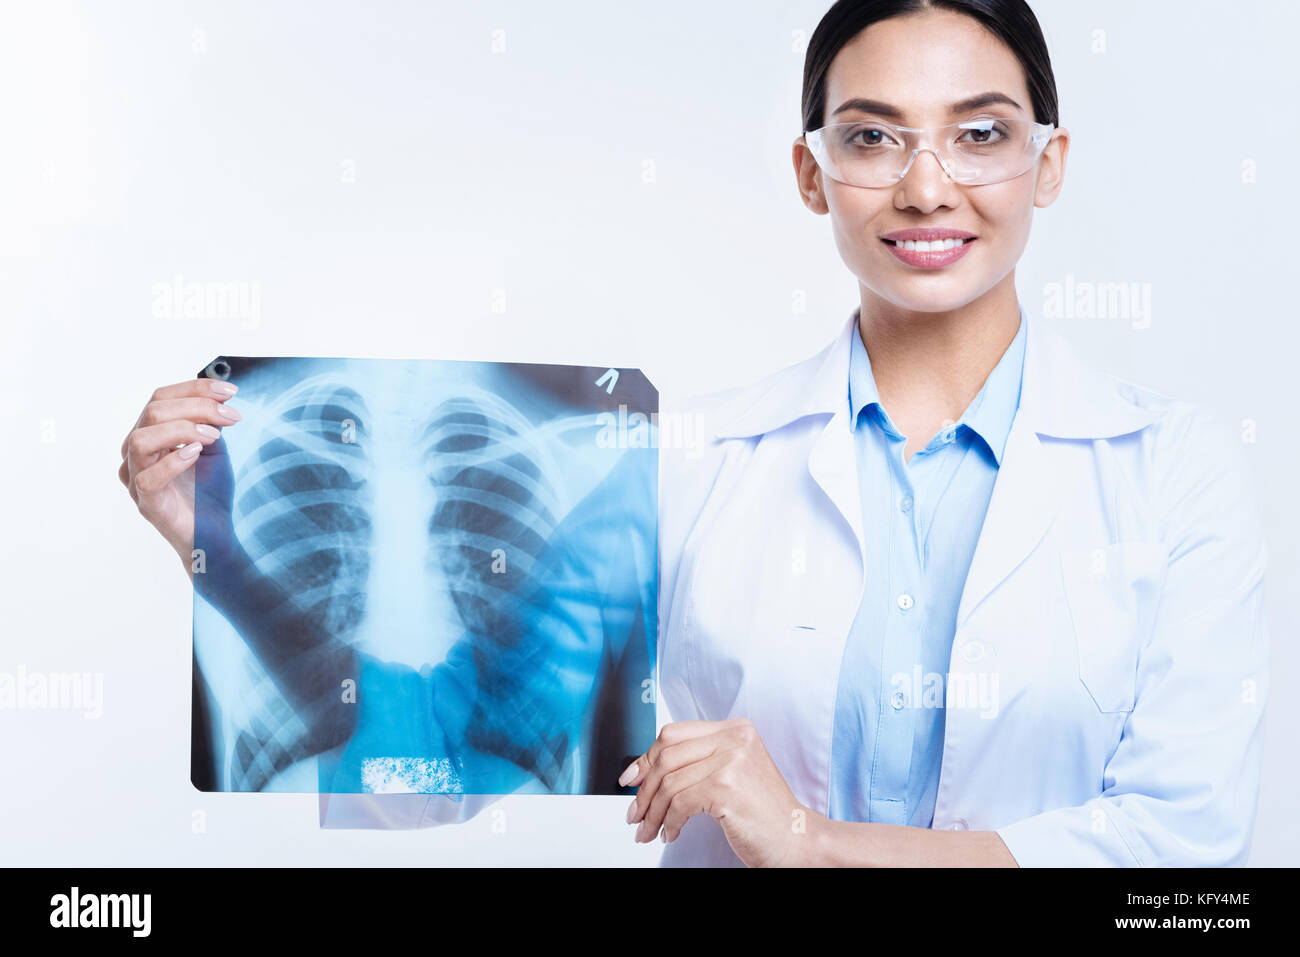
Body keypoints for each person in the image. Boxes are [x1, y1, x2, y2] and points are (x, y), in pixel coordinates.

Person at [121, 0, 1269, 867]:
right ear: (812, 176)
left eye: (979, 134)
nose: (926, 187)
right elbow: (438, 773)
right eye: (871, 140)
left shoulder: (1172, 472)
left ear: (1047, 164)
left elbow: (1183, 866)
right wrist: (227, 554)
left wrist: (807, 838)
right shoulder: (677, 460)